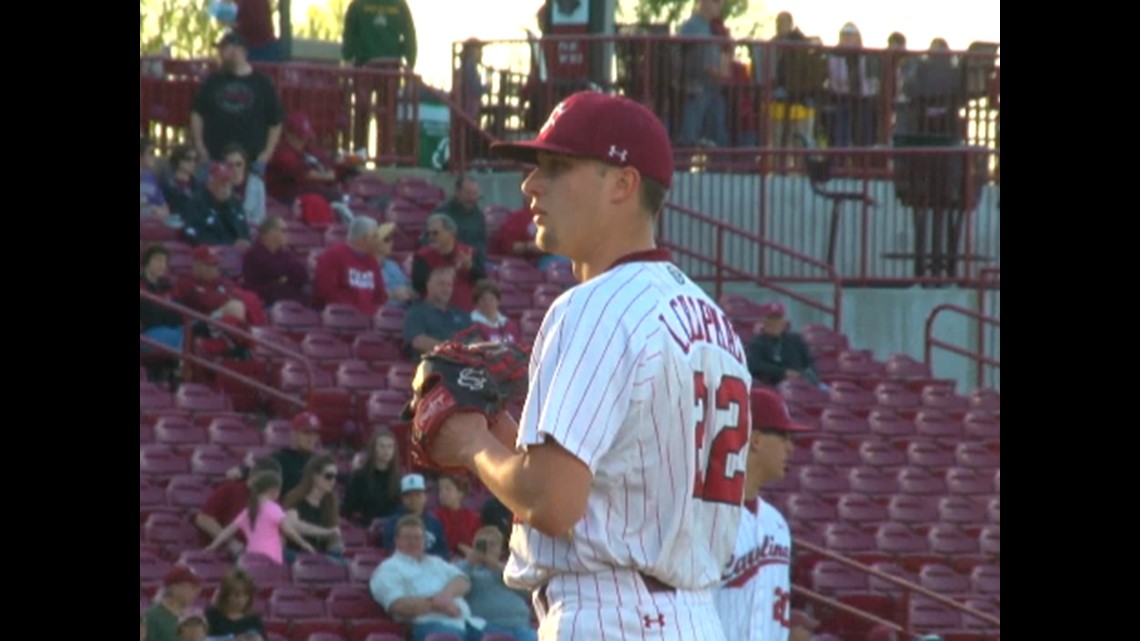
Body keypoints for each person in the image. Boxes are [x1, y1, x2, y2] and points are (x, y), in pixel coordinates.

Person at [423, 90, 752, 640]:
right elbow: (614, 480)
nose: (531, 184)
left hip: (611, 614)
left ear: (622, 183)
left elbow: (552, 502)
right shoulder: (715, 321)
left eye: (557, 167)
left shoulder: (593, 306)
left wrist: (472, 444)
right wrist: (505, 432)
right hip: (695, 615)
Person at [715, 387, 811, 641]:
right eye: (783, 436)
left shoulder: (777, 524)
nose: (790, 448)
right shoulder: (709, 517)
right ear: (756, 439)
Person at [369, 515, 484, 641]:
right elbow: (397, 605)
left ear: (425, 541)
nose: (413, 542)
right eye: (407, 538)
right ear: (396, 540)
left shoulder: (437, 562)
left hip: (467, 622)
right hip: (428, 625)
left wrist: (445, 595)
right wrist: (437, 605)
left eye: (417, 538)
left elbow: (463, 581)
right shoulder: (387, 569)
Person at [190, 32, 284, 165]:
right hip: (214, 159)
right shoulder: (212, 81)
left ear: (239, 51)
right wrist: (200, 148)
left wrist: (266, 155)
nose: (221, 54)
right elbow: (197, 113)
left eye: (224, 49)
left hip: (251, 161)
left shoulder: (263, 83)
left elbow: (275, 121)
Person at [206, 469, 315, 564]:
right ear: (274, 490)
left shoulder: (248, 510)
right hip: (271, 559)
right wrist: (304, 544)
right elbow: (289, 531)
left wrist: (212, 546)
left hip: (250, 559)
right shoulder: (273, 508)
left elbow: (227, 531)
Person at [456, 526, 538, 641]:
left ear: (500, 549)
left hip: (521, 625)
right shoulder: (465, 567)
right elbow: (454, 583)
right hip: (487, 626)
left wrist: (496, 566)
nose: (487, 549)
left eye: (492, 545)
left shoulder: (510, 568)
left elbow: (527, 591)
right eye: (482, 544)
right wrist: (471, 562)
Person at [194, 457, 284, 552]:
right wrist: (230, 542)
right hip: (227, 552)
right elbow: (203, 519)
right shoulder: (230, 490)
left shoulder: (274, 502)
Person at [313, 216, 387, 315]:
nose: (378, 241)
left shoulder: (372, 262)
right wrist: (355, 310)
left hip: (368, 319)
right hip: (340, 318)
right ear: (364, 238)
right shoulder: (333, 256)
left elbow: (380, 296)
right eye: (375, 236)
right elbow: (326, 292)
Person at [411, 213, 485, 311]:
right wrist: (440, 276)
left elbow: (482, 281)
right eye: (428, 234)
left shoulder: (469, 252)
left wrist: (470, 266)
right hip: (434, 312)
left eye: (435, 233)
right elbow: (418, 285)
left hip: (466, 313)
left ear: (451, 233)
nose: (431, 237)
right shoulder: (423, 256)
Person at [281, 453, 345, 561]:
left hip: (321, 555)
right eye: (328, 476)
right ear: (315, 476)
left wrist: (336, 541)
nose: (333, 481)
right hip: (297, 554)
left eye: (335, 477)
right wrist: (327, 532)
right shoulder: (296, 498)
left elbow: (332, 534)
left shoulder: (330, 503)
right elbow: (294, 525)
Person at [744, 302, 821, 387]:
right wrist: (783, 372)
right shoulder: (756, 343)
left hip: (800, 386)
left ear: (783, 321)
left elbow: (810, 362)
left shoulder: (795, 340)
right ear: (764, 321)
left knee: (827, 392)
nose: (774, 323)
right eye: (771, 319)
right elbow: (754, 365)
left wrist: (804, 375)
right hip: (771, 387)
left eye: (778, 319)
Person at [402, 267, 473, 356]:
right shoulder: (416, 312)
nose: (446, 289)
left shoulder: (462, 314)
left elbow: (476, 339)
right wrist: (450, 350)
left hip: (465, 363)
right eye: (441, 284)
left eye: (449, 285)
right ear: (428, 285)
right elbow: (418, 341)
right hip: (433, 363)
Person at [241, 215, 309, 307]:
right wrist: (285, 277)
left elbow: (302, 275)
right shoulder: (254, 254)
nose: (286, 234)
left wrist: (284, 278)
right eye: (283, 231)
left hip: (289, 299)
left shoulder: (285, 254)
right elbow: (273, 270)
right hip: (265, 302)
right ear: (271, 232)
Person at [181, 162, 252, 248]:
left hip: (236, 254)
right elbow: (193, 234)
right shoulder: (197, 202)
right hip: (210, 252)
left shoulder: (235, 203)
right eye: (221, 181)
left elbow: (244, 231)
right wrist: (230, 244)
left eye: (228, 181)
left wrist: (244, 242)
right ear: (210, 181)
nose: (225, 185)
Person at [343, 428, 404, 526]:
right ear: (373, 448)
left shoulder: (399, 479)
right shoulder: (359, 477)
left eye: (390, 446)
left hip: (392, 529)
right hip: (365, 528)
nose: (386, 450)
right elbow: (348, 509)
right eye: (382, 446)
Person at [380, 473, 450, 558]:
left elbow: (443, 553)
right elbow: (391, 550)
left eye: (417, 495)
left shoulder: (435, 524)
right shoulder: (393, 523)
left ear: (425, 497)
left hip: (431, 568)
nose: (413, 499)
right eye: (408, 496)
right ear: (402, 499)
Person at [342, 0, 418, 68]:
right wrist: (410, 63)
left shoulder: (357, 5)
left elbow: (348, 39)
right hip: (391, 70)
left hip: (363, 69)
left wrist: (347, 58)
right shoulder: (400, 5)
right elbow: (410, 38)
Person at [140, 244, 185, 353]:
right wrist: (167, 313)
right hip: (147, 334)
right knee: (184, 340)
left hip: (170, 328)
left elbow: (180, 311)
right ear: (147, 261)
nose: (162, 265)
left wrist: (164, 314)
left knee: (195, 330)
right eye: (158, 260)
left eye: (165, 262)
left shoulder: (168, 285)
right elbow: (149, 317)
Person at [205, 567, 268, 640]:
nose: (241, 600)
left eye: (245, 595)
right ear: (226, 594)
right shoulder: (211, 616)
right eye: (236, 595)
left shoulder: (254, 622)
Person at [431, 176, 488, 257]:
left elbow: (482, 243)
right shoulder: (441, 213)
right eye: (467, 193)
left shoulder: (478, 215)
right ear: (457, 192)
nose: (471, 198)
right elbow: (430, 243)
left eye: (474, 194)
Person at [144, 565, 203, 641]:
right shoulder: (153, 617)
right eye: (191, 587)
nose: (196, 593)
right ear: (175, 588)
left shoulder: (191, 617)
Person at [434, 475, 481, 558]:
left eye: (448, 489)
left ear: (460, 493)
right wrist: (460, 547)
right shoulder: (436, 516)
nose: (442, 493)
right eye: (440, 489)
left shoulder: (472, 517)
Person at [371, 222, 416, 306]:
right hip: (380, 314)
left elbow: (407, 287)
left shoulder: (391, 265)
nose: (391, 243)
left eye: (391, 239)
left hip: (403, 313)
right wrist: (393, 294)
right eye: (387, 240)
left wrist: (410, 291)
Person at [222, 143, 267, 226]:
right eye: (230, 165)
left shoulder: (257, 184)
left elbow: (259, 217)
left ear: (245, 164)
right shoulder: (218, 183)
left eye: (238, 164)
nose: (235, 169)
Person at [468, 279, 521, 344]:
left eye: (491, 299)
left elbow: (519, 347)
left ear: (498, 301)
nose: (487, 303)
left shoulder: (511, 326)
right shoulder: (470, 325)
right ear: (476, 303)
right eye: (483, 299)